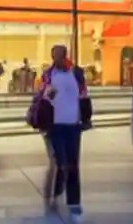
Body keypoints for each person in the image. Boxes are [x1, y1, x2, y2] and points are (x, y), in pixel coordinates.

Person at [41, 45, 89, 223]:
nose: (57, 59)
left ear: (65, 56)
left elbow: (83, 95)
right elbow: (45, 97)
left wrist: (85, 117)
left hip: (72, 124)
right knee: (61, 163)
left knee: (73, 164)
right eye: (54, 56)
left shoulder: (76, 73)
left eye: (60, 56)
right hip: (55, 125)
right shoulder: (48, 74)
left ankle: (74, 201)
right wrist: (49, 93)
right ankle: (56, 194)